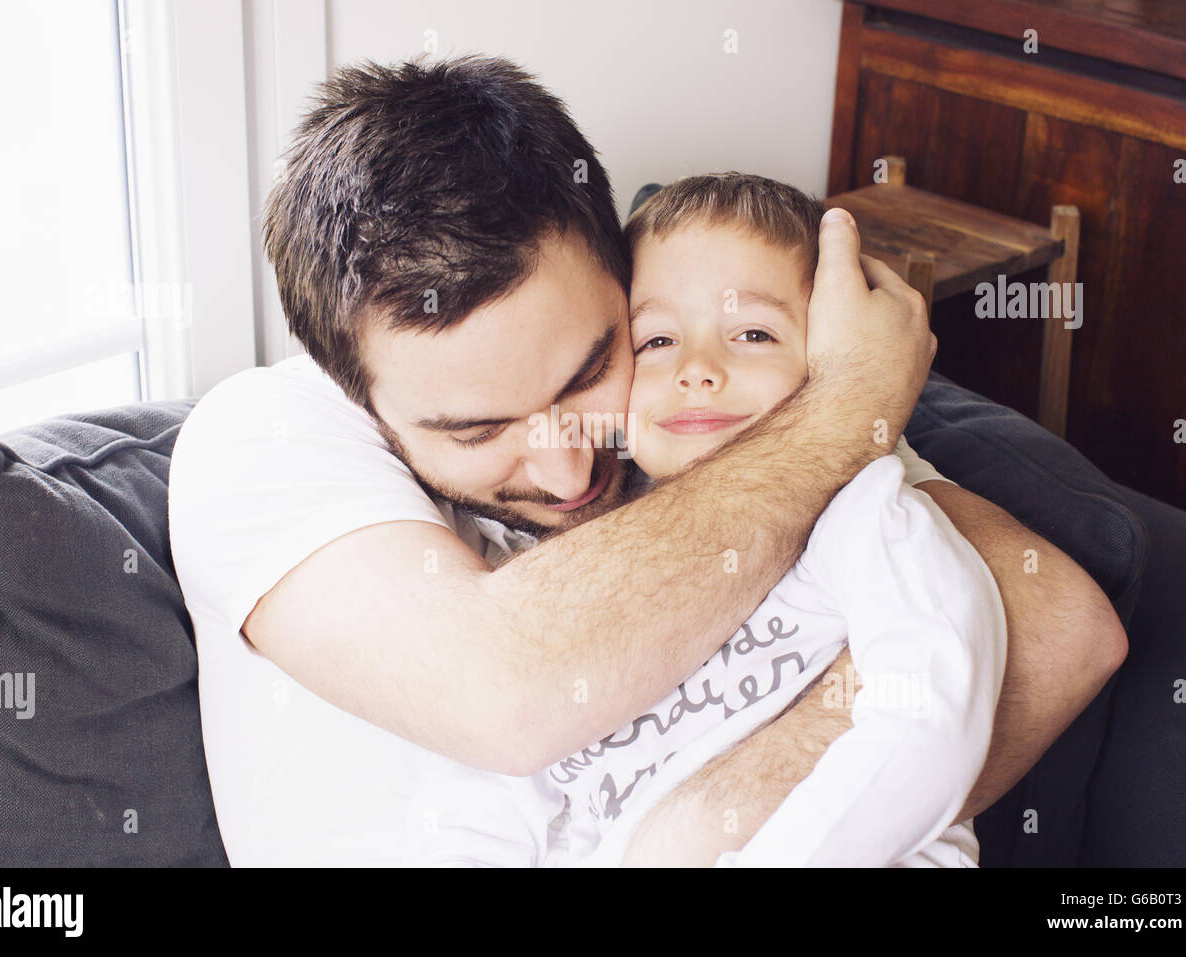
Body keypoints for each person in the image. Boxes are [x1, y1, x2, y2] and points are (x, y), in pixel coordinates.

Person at [166, 56, 1126, 866]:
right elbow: (510, 696)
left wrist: (700, 826)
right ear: (355, 393)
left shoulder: (712, 407)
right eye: (475, 430)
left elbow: (1062, 628)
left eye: (590, 369)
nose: (567, 470)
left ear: (620, 274)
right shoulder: (262, 436)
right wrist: (850, 404)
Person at [542, 172, 1006, 868]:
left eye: (753, 333)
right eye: (657, 341)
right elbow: (567, 795)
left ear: (833, 358)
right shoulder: (597, 542)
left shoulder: (867, 517)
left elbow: (933, 716)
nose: (698, 368)